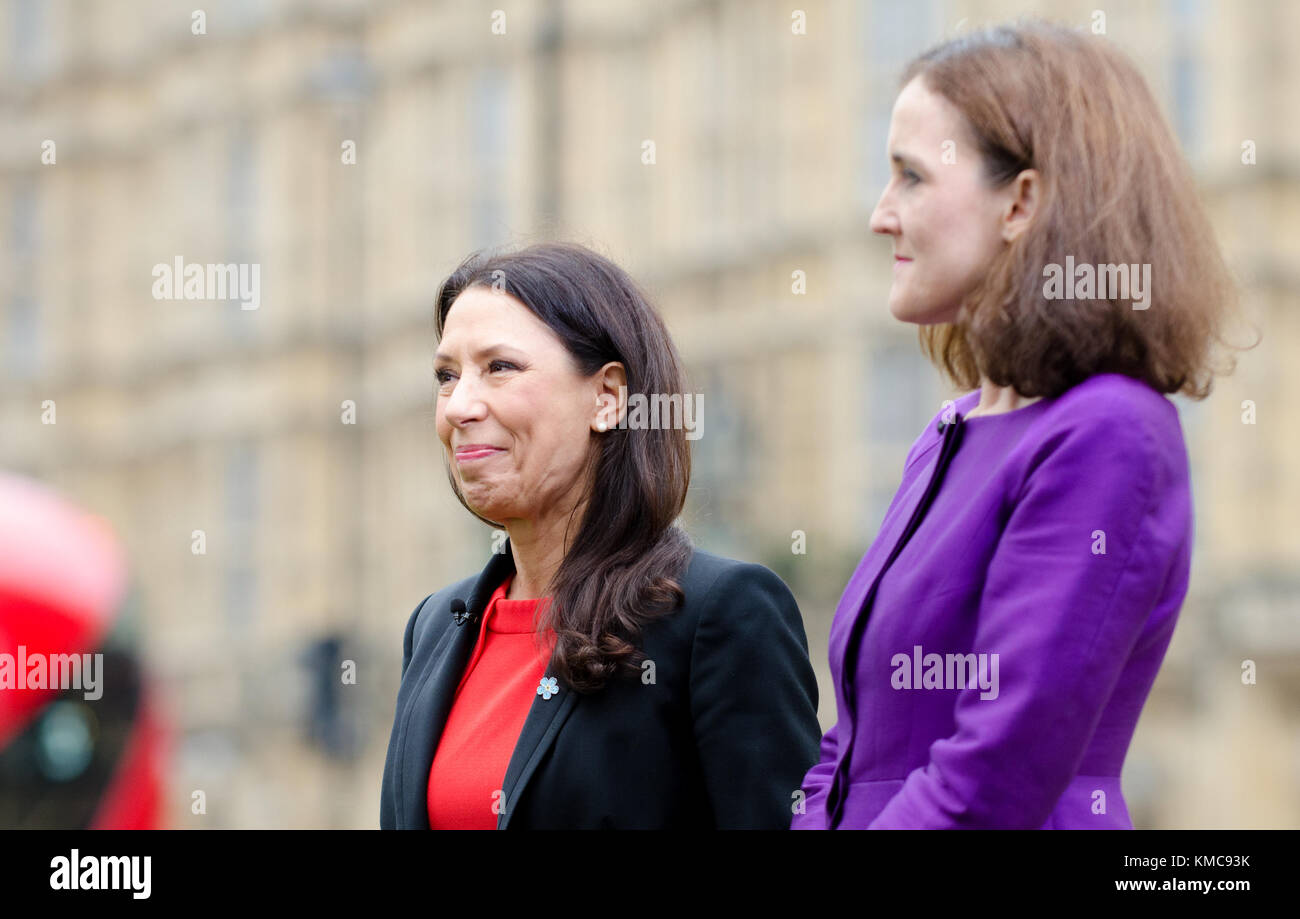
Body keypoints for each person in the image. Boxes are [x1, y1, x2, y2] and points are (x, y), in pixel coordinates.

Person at [792, 21, 1255, 829]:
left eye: (910, 177)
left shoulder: (1108, 432)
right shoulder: (951, 431)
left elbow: (994, 774)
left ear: (1023, 201)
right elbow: (849, 744)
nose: (880, 214)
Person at [380, 241, 821, 829]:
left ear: (608, 398)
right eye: (446, 375)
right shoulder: (435, 628)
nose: (459, 405)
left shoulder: (717, 617)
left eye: (500, 367)